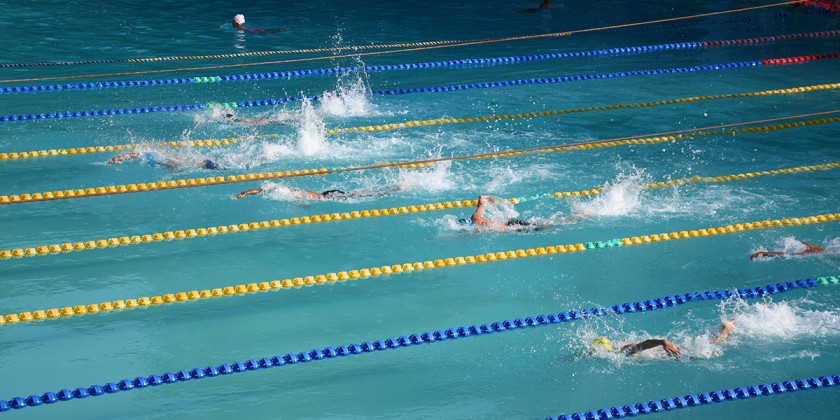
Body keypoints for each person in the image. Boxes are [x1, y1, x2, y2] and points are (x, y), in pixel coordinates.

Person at [591, 319, 737, 357]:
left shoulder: (623, 351)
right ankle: (726, 330)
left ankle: (726, 331)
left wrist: (663, 342)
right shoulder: (620, 349)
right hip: (665, 353)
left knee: (706, 350)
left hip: (668, 353)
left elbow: (644, 344)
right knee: (706, 346)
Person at [457, 195, 584, 231]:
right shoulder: (476, 218)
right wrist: (483, 198)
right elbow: (481, 201)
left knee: (549, 225)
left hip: (515, 227)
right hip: (511, 223)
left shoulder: (480, 225)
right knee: (544, 223)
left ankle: (579, 216)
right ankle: (577, 215)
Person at [233, 182, 411, 201]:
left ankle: (396, 188)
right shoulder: (287, 192)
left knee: (363, 195)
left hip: (328, 196)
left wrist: (244, 193)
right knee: (360, 193)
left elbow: (259, 190)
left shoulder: (284, 191)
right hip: (325, 194)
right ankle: (394, 187)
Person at [108, 152, 224, 170]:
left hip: (205, 163)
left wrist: (117, 159)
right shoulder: (152, 155)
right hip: (206, 162)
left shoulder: (148, 156)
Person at [750, 240, 832, 260]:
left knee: (809, 248)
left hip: (826, 251)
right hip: (825, 252)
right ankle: (765, 253)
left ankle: (765, 253)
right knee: (797, 254)